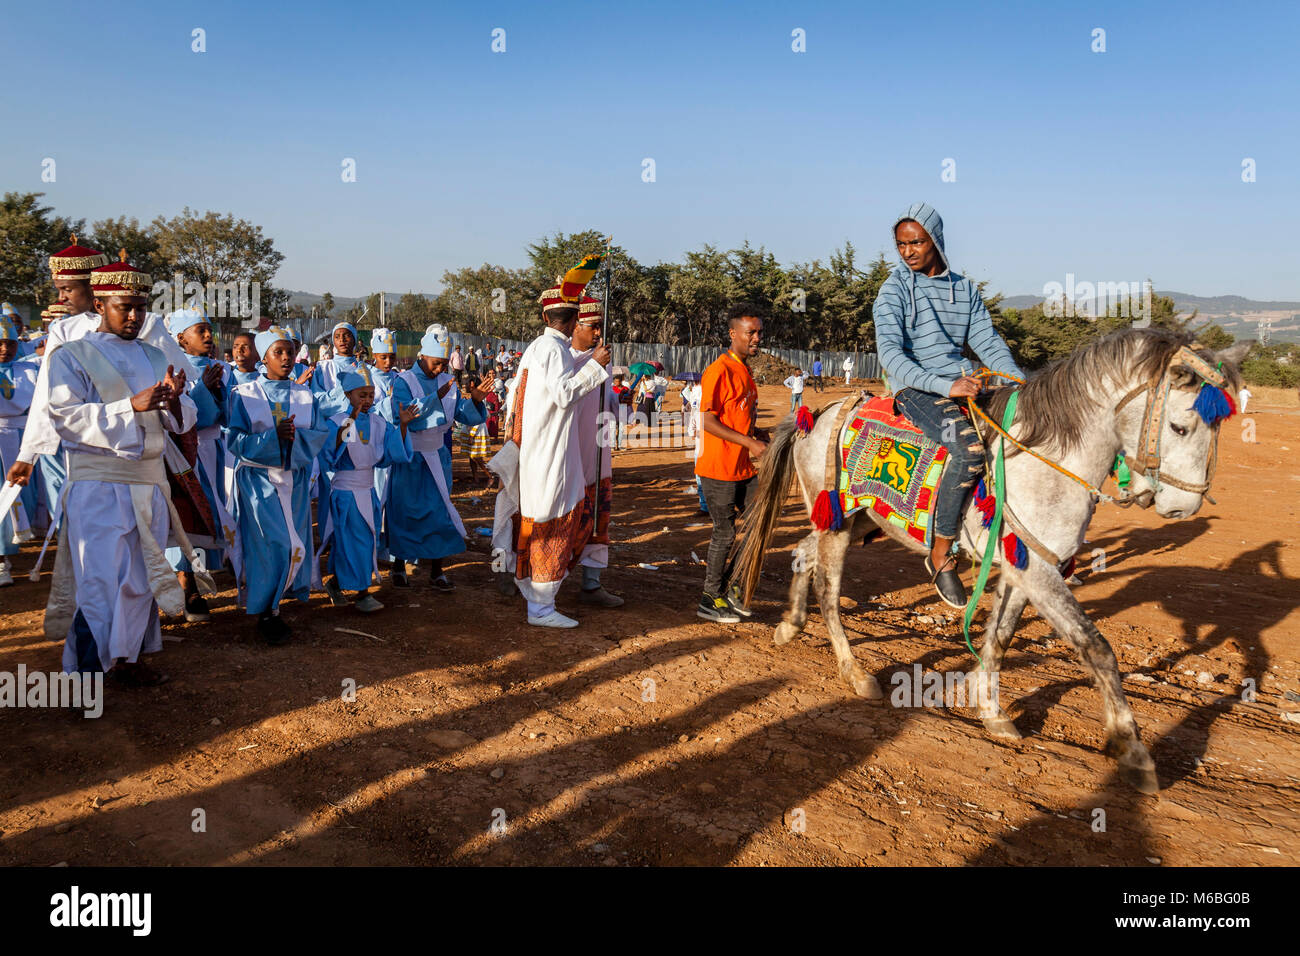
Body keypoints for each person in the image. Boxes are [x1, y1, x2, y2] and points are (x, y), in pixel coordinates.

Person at [44, 255, 207, 686]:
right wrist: (128, 406)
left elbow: (186, 416)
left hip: (147, 484)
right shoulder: (71, 355)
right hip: (98, 483)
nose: (134, 316)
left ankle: (126, 660)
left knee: (138, 579)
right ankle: (84, 677)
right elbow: (65, 417)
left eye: (140, 306)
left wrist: (173, 403)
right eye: (124, 307)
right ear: (100, 304)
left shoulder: (155, 356)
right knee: (98, 582)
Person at [873, 201, 1024, 608]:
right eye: (901, 244)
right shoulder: (895, 289)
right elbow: (890, 355)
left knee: (1021, 433)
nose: (908, 252)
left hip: (963, 383)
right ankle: (941, 553)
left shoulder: (965, 288)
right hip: (915, 389)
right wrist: (944, 385)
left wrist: (1019, 382)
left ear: (935, 240)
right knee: (970, 448)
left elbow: (988, 342)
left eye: (916, 242)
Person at [501, 280, 610, 627]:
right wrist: (595, 366)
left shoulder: (539, 347)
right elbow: (564, 395)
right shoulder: (552, 350)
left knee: (546, 522)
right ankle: (542, 609)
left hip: (545, 453)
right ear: (573, 317)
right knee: (553, 524)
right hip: (550, 456)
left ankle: (540, 600)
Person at [225, 328, 329, 644]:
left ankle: (277, 603)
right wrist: (274, 439)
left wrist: (292, 441)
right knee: (270, 546)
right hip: (258, 483)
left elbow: (318, 434)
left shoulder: (306, 395)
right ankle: (265, 611)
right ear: (264, 357)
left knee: (292, 542)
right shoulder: (244, 395)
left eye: (289, 352)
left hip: (293, 481)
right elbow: (235, 440)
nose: (286, 358)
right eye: (278, 352)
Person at [381, 324, 493, 591]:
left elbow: (461, 413)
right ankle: (399, 566)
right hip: (410, 457)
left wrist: (475, 400)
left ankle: (436, 570)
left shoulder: (448, 383)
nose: (440, 369)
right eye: (436, 363)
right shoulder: (404, 381)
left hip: (438, 458)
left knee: (439, 511)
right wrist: (434, 398)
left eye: (444, 364)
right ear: (423, 356)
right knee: (405, 512)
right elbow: (402, 415)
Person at [319, 368, 416, 613]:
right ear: (348, 394)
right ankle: (362, 593)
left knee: (364, 541)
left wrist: (403, 426)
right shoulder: (336, 421)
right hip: (346, 492)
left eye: (371, 395)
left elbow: (390, 450)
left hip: (368, 489)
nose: (367, 400)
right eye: (362, 395)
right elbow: (331, 450)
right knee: (355, 541)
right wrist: (350, 419)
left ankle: (337, 583)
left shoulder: (378, 422)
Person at [695, 302, 768, 623]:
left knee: (758, 525)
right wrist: (750, 442)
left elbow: (738, 419)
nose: (757, 338)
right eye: (751, 333)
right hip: (718, 468)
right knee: (724, 533)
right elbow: (708, 422)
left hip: (744, 468)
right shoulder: (719, 370)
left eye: (759, 333)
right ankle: (710, 597)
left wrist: (761, 434)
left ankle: (735, 587)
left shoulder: (745, 370)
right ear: (733, 334)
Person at [165, 303, 236, 622]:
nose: (209, 336)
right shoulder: (175, 370)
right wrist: (205, 389)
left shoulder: (218, 367)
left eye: (210, 330)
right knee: (187, 513)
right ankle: (186, 584)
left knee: (209, 512)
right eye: (201, 331)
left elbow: (227, 415)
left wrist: (218, 392)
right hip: (186, 454)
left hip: (213, 449)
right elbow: (191, 418)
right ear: (181, 339)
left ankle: (201, 574)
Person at [568, 297, 624, 608]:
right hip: (569, 453)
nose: (599, 334)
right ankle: (544, 583)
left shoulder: (602, 361)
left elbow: (608, 404)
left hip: (599, 453)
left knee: (598, 518)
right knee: (564, 518)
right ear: (576, 325)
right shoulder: (563, 359)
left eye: (602, 327)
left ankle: (591, 584)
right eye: (594, 327)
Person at [0, 314, 39, 586]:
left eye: (10, 343)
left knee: (25, 496)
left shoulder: (30, 371)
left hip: (24, 439)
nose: (5, 348)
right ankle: (2, 560)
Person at [458, 374, 493, 485]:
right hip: (470, 431)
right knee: (471, 457)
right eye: (470, 386)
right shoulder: (469, 399)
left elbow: (477, 420)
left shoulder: (477, 400)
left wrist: (472, 435)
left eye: (473, 387)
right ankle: (476, 478)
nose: (470, 388)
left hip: (476, 432)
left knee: (477, 458)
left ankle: (490, 475)